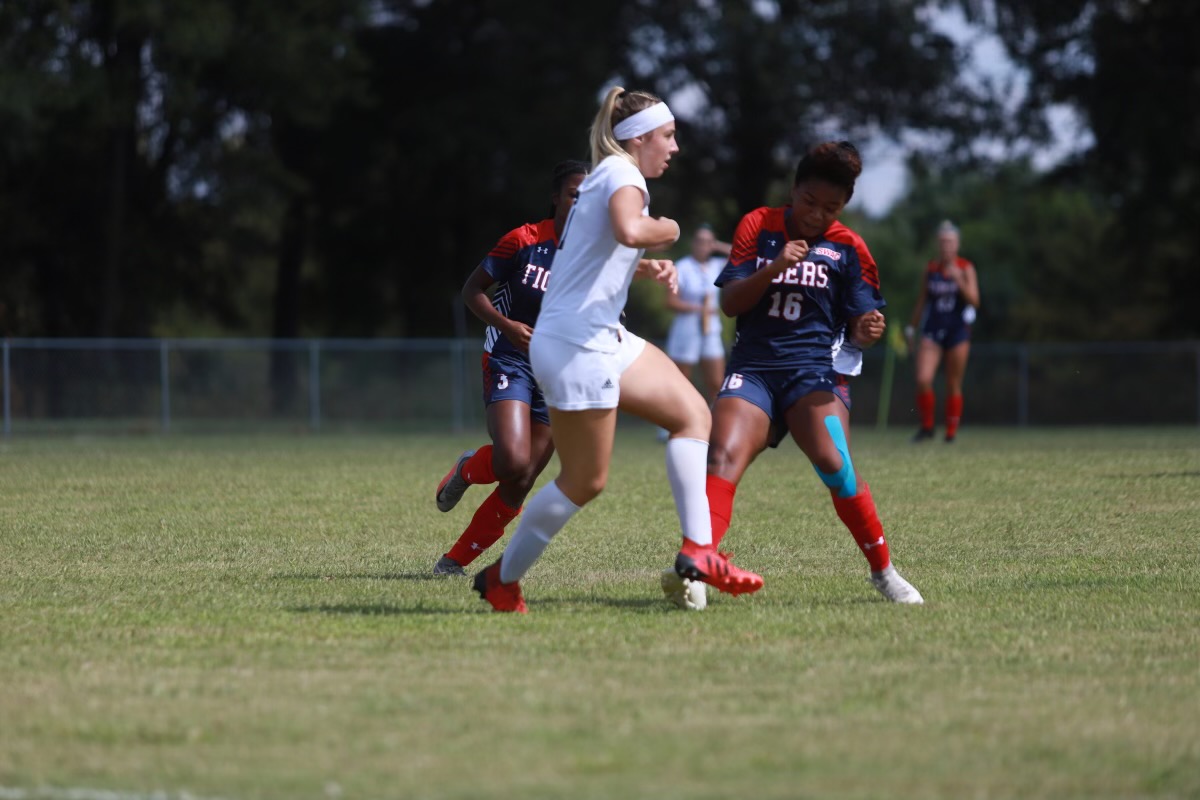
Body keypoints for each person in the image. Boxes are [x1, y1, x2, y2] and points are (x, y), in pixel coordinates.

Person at [471, 86, 765, 613]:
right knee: (585, 481)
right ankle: (501, 580)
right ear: (641, 137)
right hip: (577, 345)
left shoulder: (607, 176)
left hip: (597, 336)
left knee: (693, 415)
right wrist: (670, 231)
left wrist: (641, 266)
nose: (675, 147)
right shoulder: (623, 174)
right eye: (669, 136)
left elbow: (589, 252)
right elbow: (631, 230)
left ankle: (699, 551)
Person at [698, 140, 924, 605]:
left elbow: (860, 325)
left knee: (835, 466)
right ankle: (700, 564)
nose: (818, 215)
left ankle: (883, 571)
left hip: (814, 375)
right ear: (794, 189)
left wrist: (867, 329)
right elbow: (729, 303)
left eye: (831, 207)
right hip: (754, 371)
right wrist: (775, 267)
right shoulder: (758, 226)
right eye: (809, 202)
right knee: (722, 458)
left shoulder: (850, 247)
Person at [432, 160, 591, 576]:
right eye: (575, 193)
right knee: (511, 462)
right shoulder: (523, 240)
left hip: (558, 374)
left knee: (521, 481)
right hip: (510, 356)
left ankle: (454, 562)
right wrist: (507, 326)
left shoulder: (595, 255)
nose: (581, 202)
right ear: (556, 198)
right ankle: (468, 467)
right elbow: (472, 291)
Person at [906, 220, 980, 443]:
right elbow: (922, 300)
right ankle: (927, 427)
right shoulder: (931, 269)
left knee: (953, 382)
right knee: (923, 378)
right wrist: (911, 328)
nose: (946, 246)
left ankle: (951, 431)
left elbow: (975, 301)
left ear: (957, 244)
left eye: (950, 242)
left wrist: (959, 279)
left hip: (957, 331)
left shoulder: (966, 268)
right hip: (932, 329)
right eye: (942, 242)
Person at [664, 225, 732, 403]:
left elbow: (739, 256)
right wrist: (698, 309)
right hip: (686, 329)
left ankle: (715, 425)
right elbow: (671, 301)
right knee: (682, 380)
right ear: (693, 243)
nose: (704, 245)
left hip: (711, 329)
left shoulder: (715, 265)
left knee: (716, 382)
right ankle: (670, 427)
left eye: (708, 242)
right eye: (700, 241)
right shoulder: (682, 267)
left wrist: (717, 245)